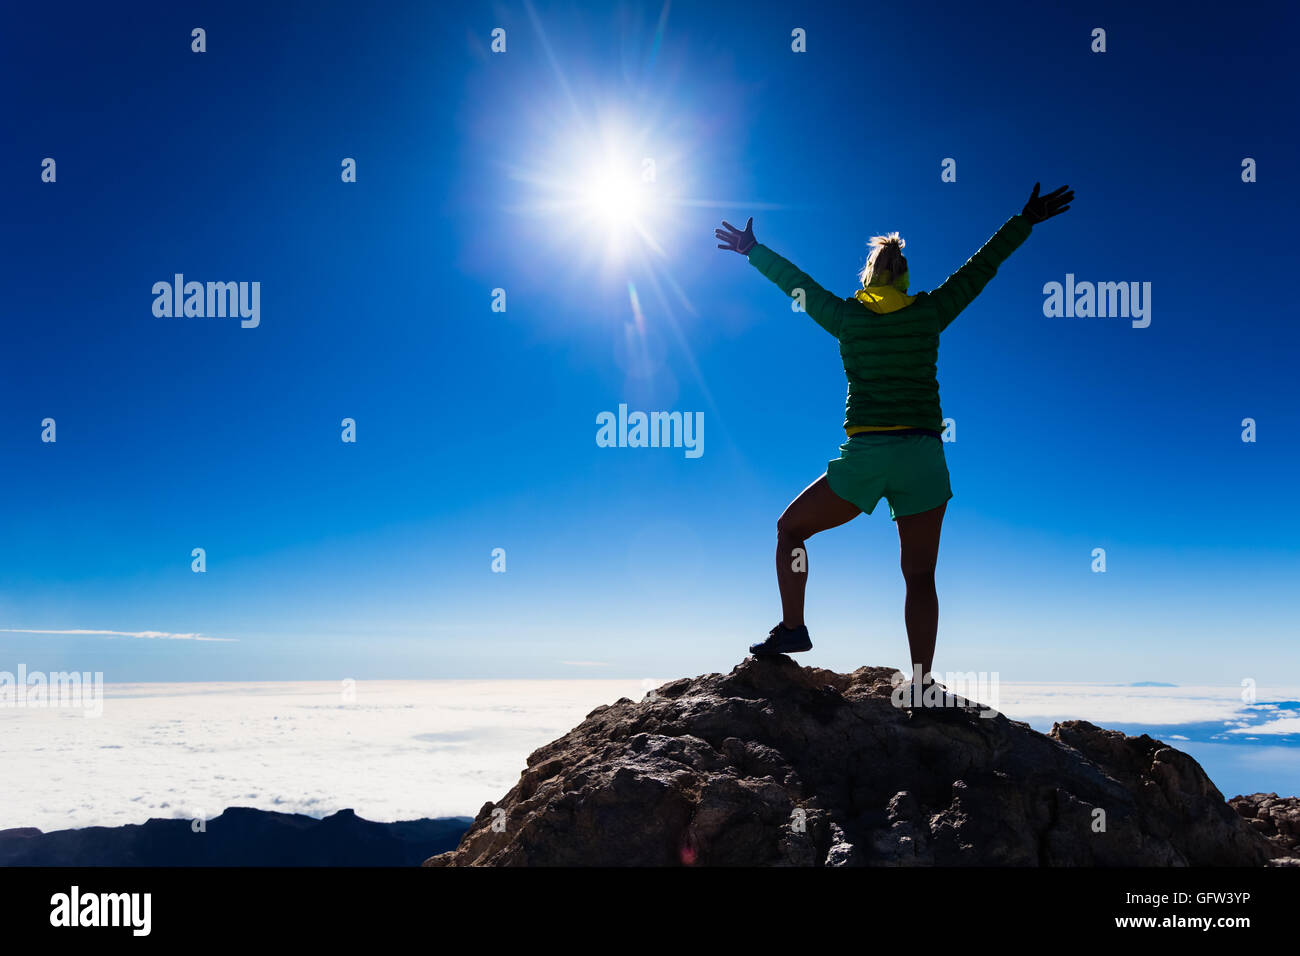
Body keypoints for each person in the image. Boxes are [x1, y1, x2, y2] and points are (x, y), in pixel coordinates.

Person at [715, 183, 1073, 693]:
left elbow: (797, 286)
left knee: (791, 531)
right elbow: (981, 270)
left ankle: (793, 629)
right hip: (924, 457)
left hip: (866, 455)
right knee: (920, 575)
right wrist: (1024, 221)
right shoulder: (929, 313)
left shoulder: (846, 318)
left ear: (868, 275)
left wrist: (753, 251)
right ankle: (922, 685)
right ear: (903, 275)